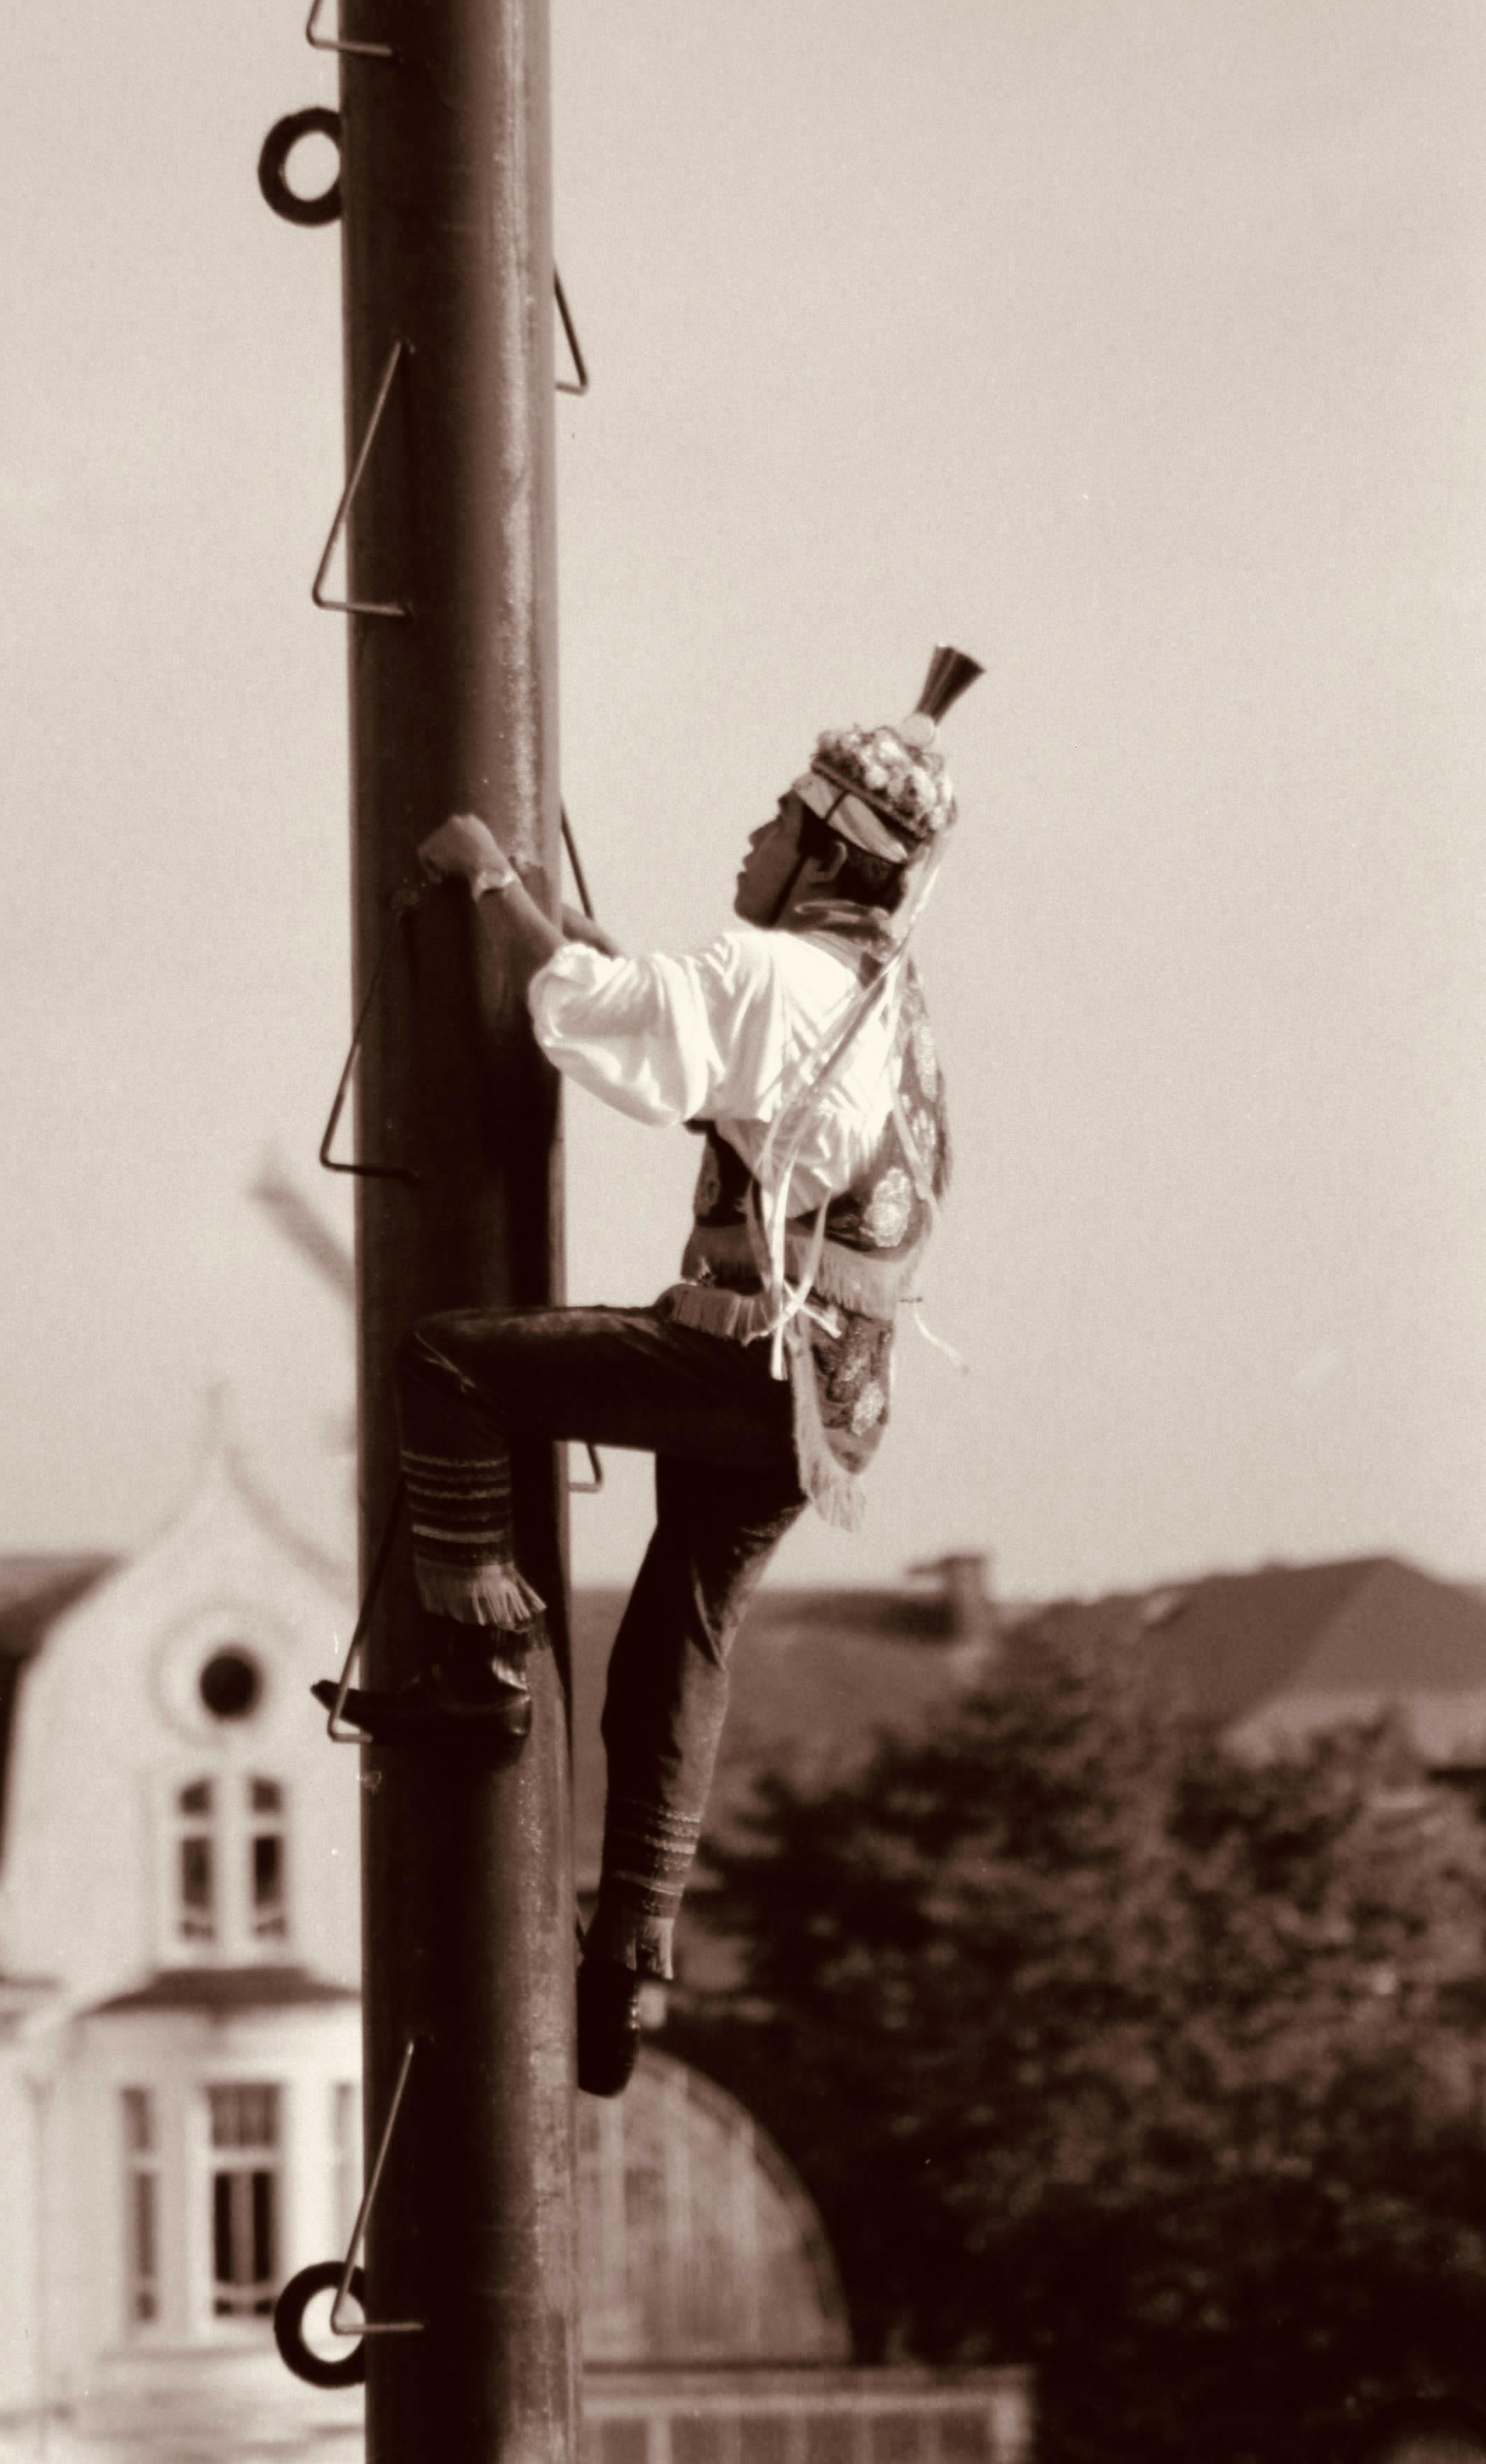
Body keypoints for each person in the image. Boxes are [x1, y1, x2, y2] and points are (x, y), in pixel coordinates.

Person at [316, 649, 983, 2094]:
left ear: (825, 852)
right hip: (834, 1401)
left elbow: (608, 1016)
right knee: (682, 1633)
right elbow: (693, 1045)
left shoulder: (771, 970)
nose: (751, 838)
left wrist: (492, 884)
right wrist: (584, 948)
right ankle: (630, 1950)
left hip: (749, 1364)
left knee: (449, 1363)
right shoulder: (882, 993)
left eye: (776, 820)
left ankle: (477, 1669)